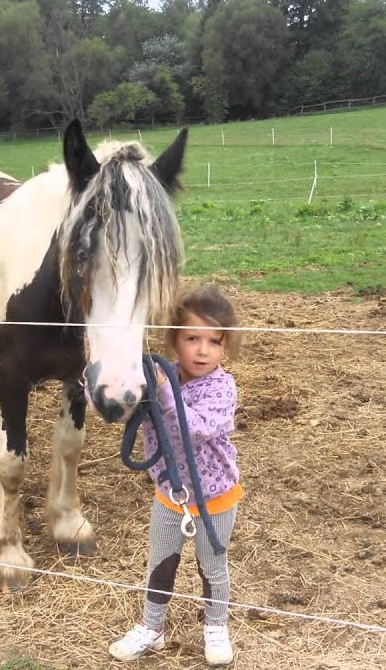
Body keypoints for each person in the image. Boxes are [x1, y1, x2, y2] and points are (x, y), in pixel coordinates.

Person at [110, 285, 243, 666]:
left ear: (225, 347)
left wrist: (165, 391)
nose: (203, 350)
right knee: (161, 562)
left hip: (215, 497)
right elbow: (121, 412)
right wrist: (103, 383)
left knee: (212, 566)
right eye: (192, 339)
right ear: (174, 340)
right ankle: (151, 628)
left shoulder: (222, 388)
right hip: (170, 494)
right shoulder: (155, 380)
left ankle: (215, 626)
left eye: (214, 342)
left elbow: (197, 428)